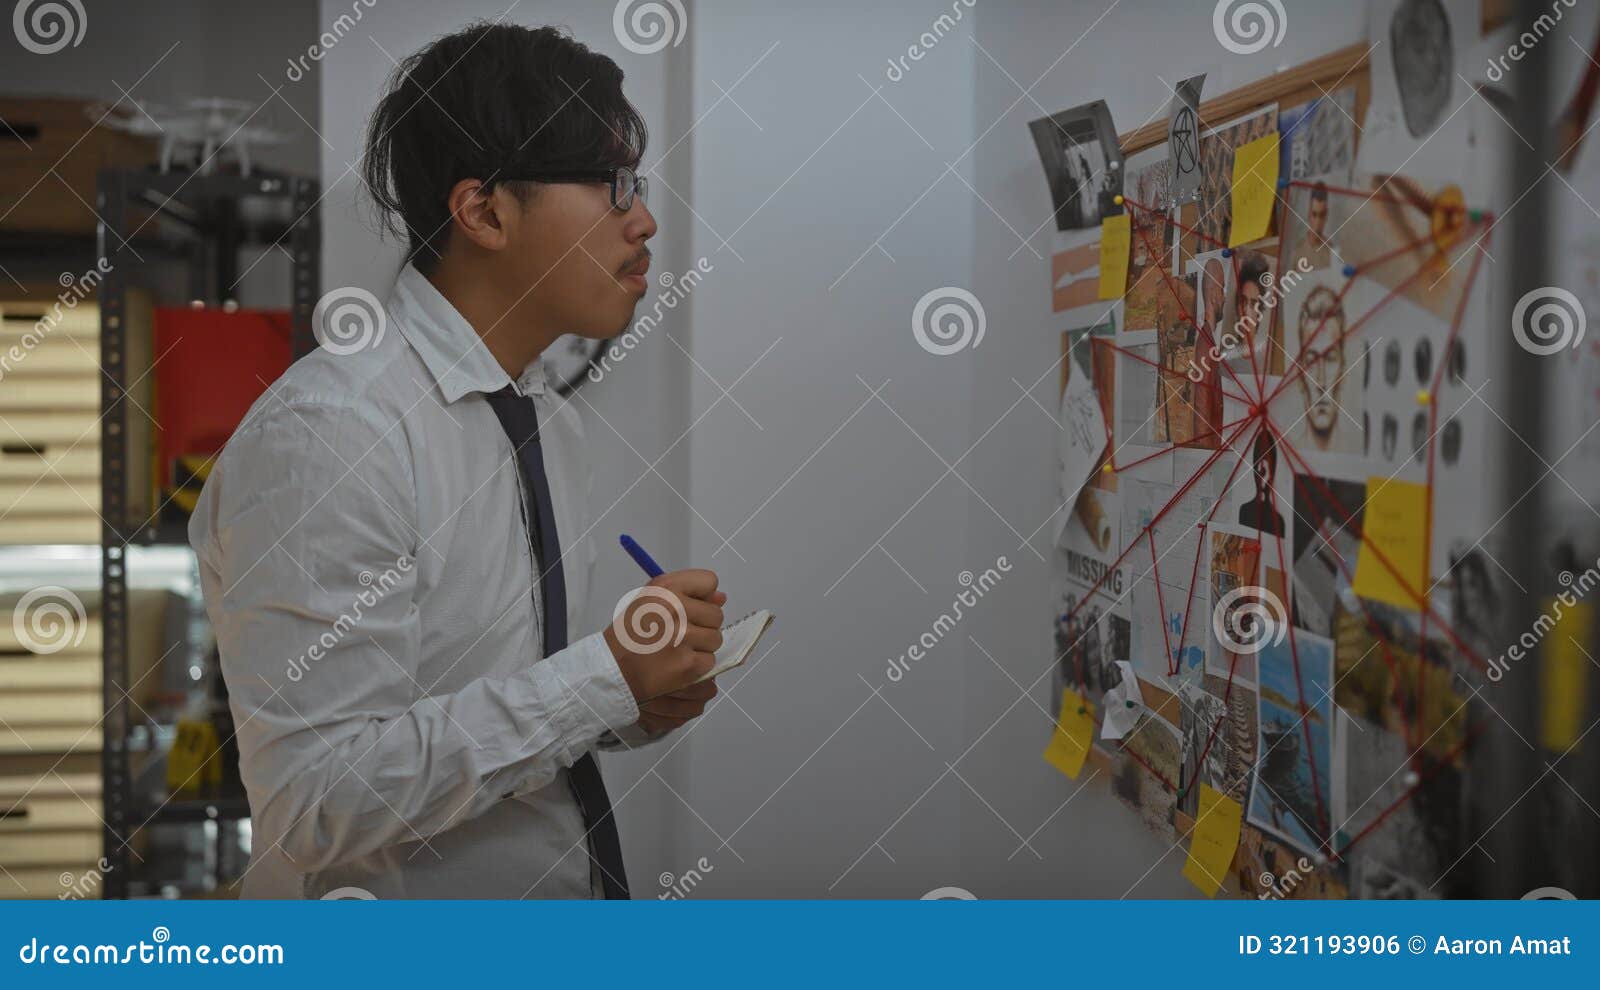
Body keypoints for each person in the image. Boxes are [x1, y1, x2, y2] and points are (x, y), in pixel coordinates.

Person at [188, 23, 725, 899]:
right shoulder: (333, 431)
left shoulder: (543, 418)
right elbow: (316, 802)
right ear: (483, 212)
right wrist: (599, 680)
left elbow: (476, 701)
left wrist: (621, 702)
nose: (644, 217)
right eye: (609, 184)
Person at [1237, 429, 1286, 537]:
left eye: (1266, 468)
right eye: (1259, 468)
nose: (1263, 476)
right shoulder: (1245, 511)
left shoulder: (1277, 520)